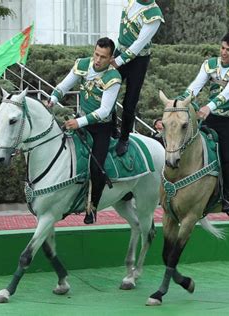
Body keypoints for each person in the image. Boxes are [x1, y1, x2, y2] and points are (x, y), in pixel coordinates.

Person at [48, 37, 122, 224]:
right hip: (81, 120)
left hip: (102, 127)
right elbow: (63, 86)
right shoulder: (82, 64)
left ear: (110, 58)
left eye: (103, 57)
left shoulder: (114, 78)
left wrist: (79, 122)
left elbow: (105, 111)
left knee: (97, 168)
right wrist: (52, 100)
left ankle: (92, 208)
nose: (98, 60)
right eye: (96, 54)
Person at [180, 32, 229, 216]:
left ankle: (227, 197)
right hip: (209, 118)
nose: (224, 52)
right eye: (222, 48)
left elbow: (227, 93)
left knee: (227, 157)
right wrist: (181, 101)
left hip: (228, 120)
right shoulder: (209, 64)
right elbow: (195, 86)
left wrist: (209, 106)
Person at [111, 0, 164, 156]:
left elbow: (138, 44)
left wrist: (117, 62)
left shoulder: (154, 15)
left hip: (138, 60)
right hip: (119, 52)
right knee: (108, 89)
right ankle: (111, 131)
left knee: (130, 100)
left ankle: (124, 137)